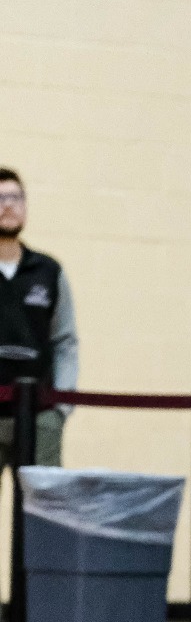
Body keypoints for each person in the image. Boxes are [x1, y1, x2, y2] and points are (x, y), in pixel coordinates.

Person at [0, 167, 79, 466]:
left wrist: (61, 408)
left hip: (40, 416)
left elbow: (65, 341)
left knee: (41, 511)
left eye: (16, 198)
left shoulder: (49, 272)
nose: (8, 205)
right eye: (0, 198)